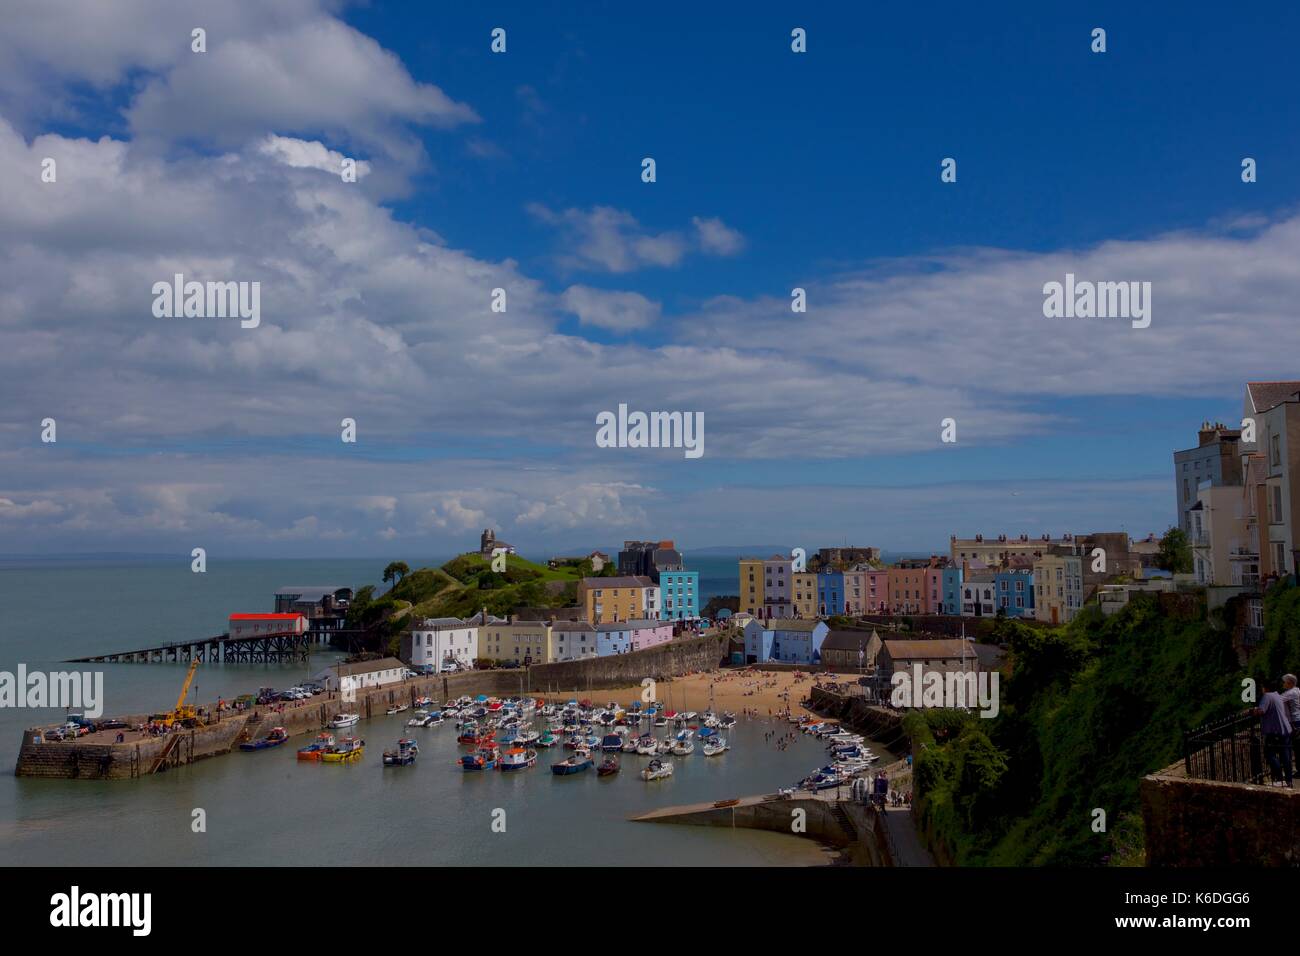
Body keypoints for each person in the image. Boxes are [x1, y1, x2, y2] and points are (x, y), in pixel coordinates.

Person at [1255, 677, 1294, 787]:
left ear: (1265, 688)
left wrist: (1253, 711)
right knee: (1285, 756)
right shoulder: (1278, 695)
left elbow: (1261, 710)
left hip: (1274, 730)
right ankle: (1289, 780)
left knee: (1269, 754)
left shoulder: (1267, 696)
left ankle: (1279, 778)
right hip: (1285, 729)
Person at [1283, 674, 1300, 775]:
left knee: (1297, 746)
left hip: (1295, 721)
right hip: (1298, 719)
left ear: (1290, 683)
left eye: (1285, 682)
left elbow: (1278, 700)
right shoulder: (1297, 690)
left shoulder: (1290, 692)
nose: (1284, 683)